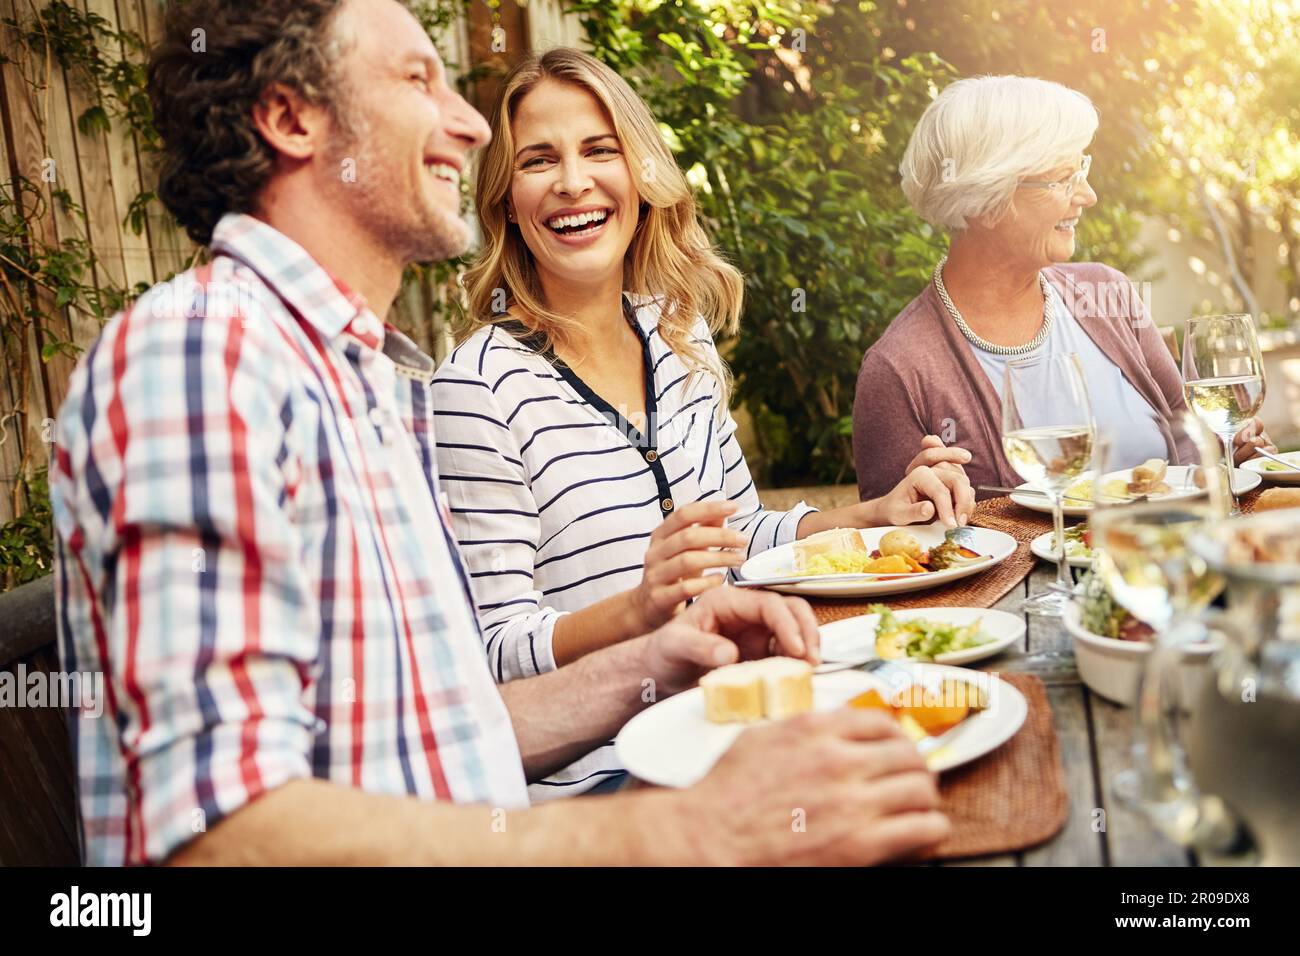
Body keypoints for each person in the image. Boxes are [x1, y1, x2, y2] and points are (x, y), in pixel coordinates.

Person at [50, 0, 949, 866]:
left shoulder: (359, 382)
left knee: (915, 785)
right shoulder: (202, 358)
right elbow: (217, 836)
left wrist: (655, 657)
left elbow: (450, 739)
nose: (473, 128)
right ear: (291, 116)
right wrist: (683, 836)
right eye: (417, 79)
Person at [430, 48, 974, 797]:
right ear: (507, 202)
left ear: (641, 175)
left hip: (731, 731)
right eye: (538, 160)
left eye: (599, 150)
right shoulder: (475, 387)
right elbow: (492, 653)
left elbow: (743, 534)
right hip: (605, 781)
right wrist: (639, 608)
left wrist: (875, 515)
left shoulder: (675, 334)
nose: (572, 183)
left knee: (945, 743)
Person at [852, 75, 1275, 502]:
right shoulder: (898, 370)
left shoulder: (1107, 293)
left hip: (1165, 559)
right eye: (1063, 179)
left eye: (1082, 172)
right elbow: (894, 549)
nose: (1087, 196)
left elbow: (1191, 438)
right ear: (984, 198)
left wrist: (1232, 454)